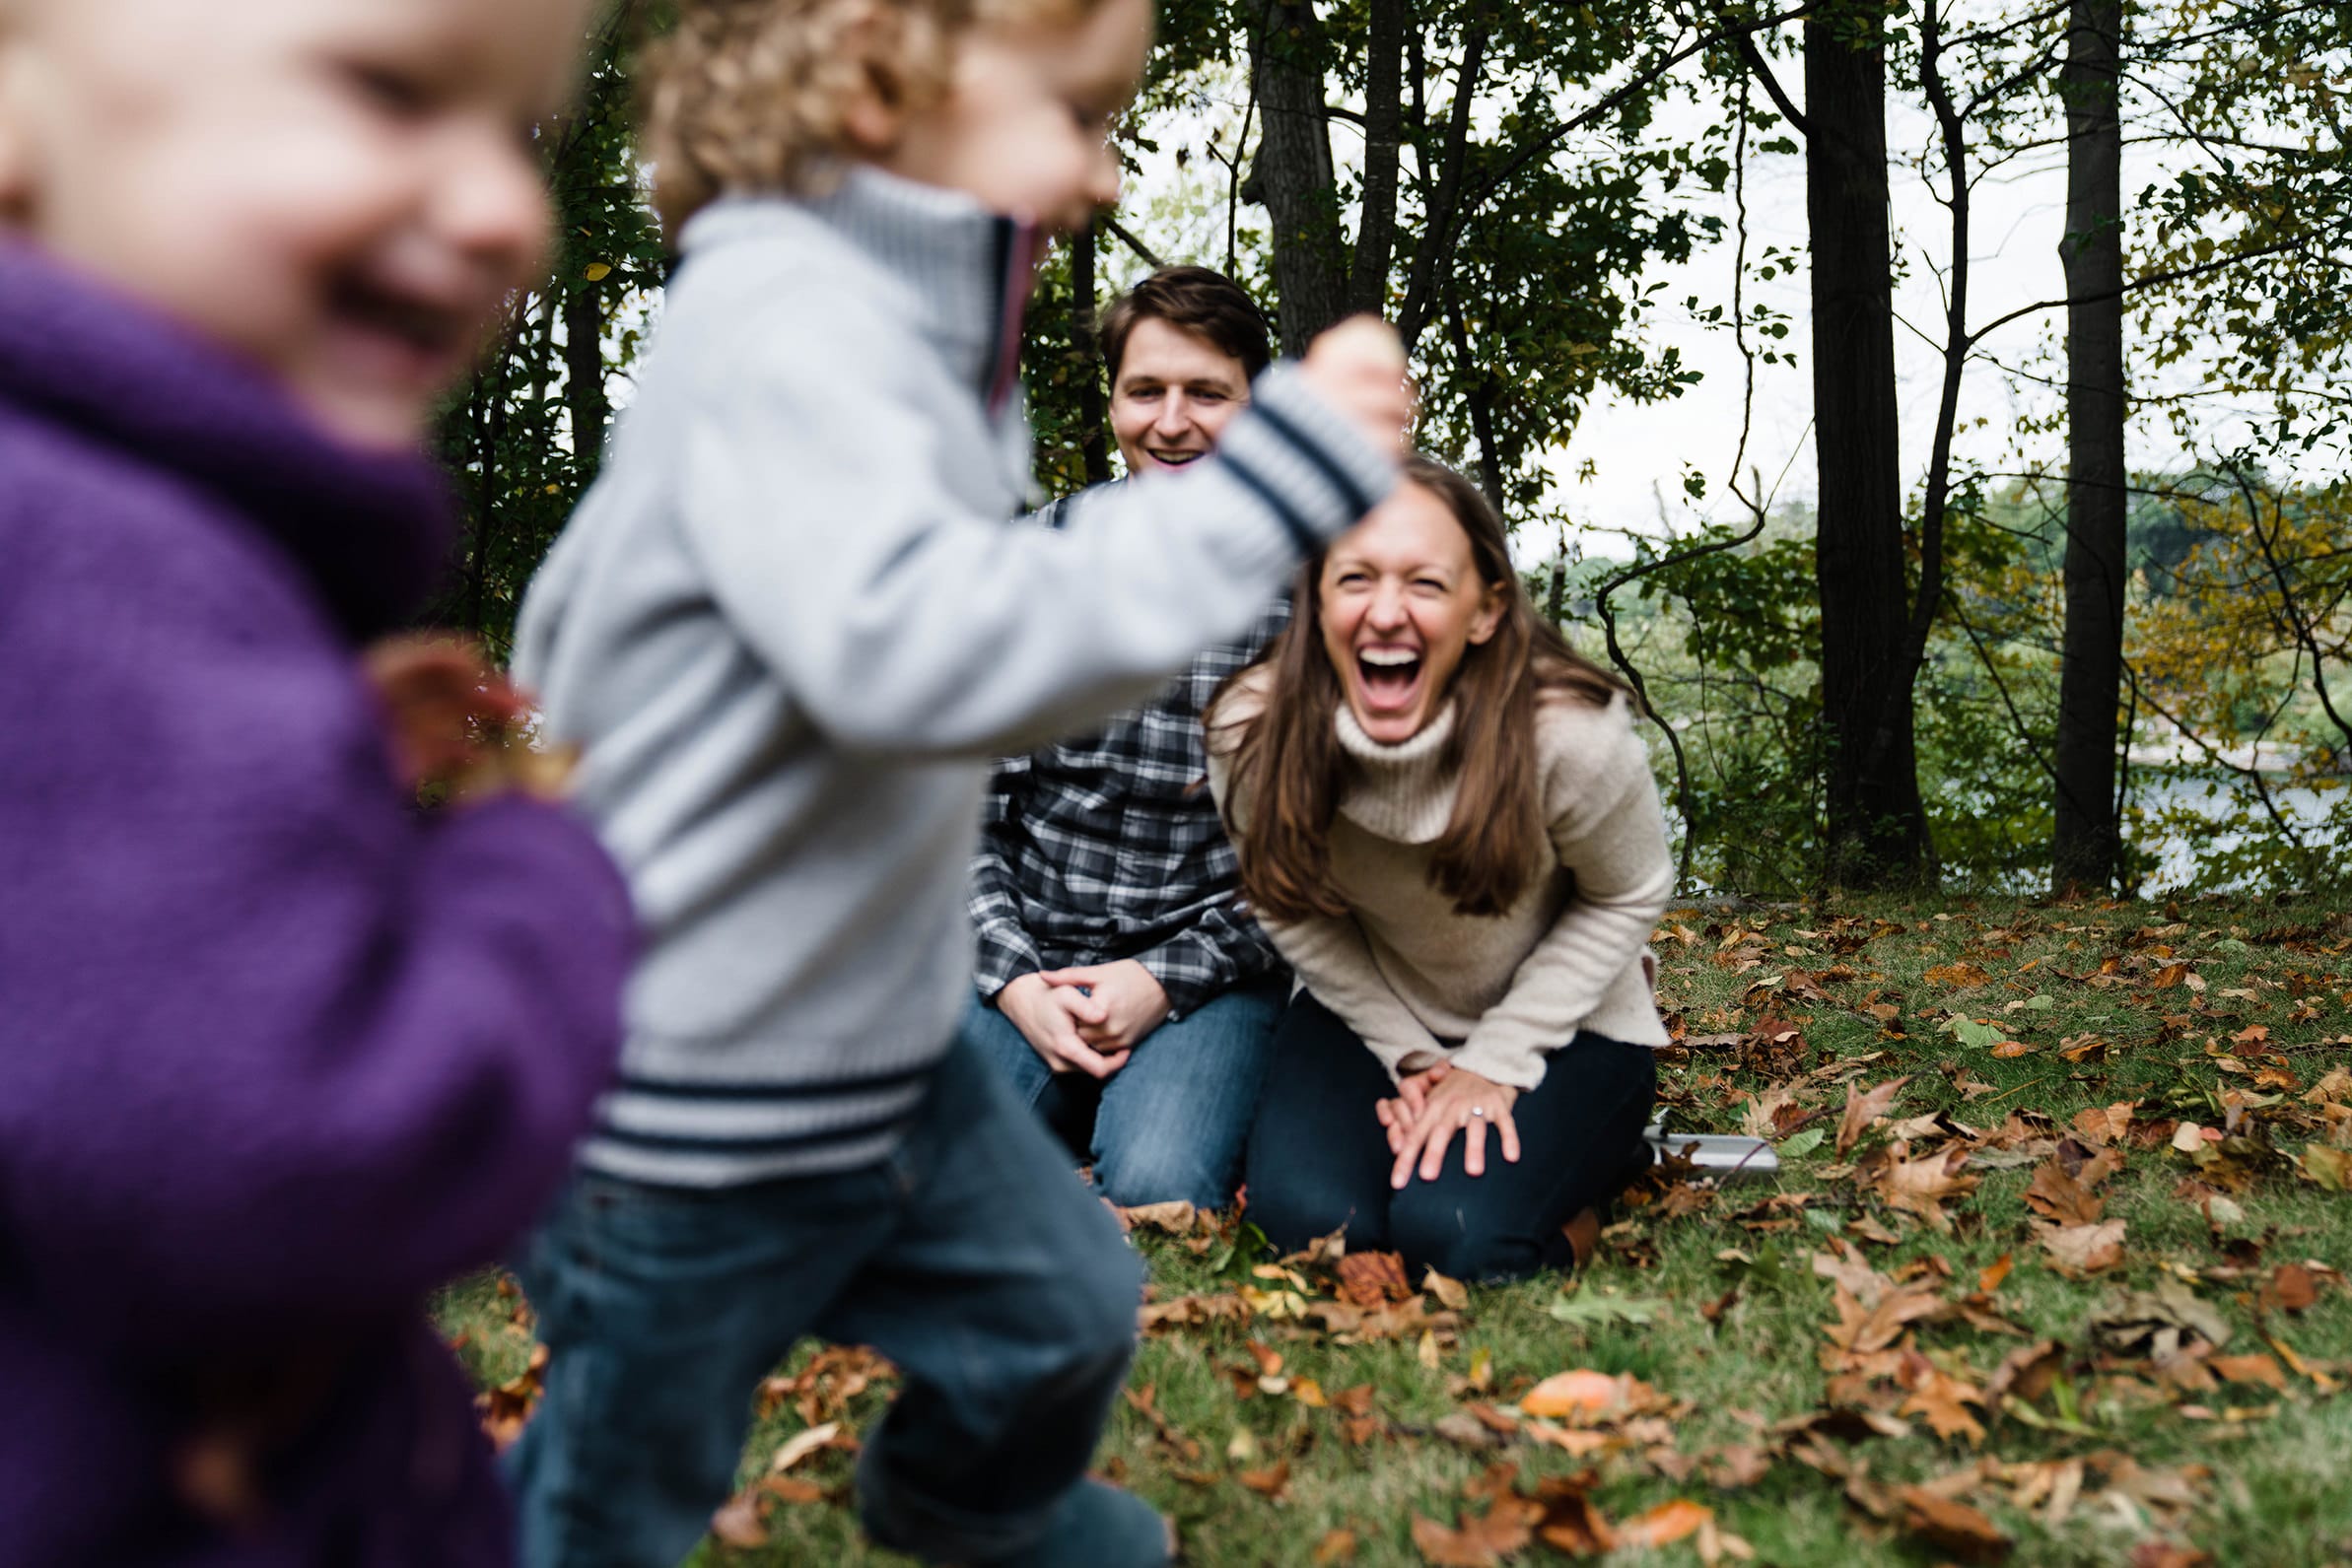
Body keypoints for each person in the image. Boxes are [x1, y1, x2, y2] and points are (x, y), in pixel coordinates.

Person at [503, 1, 1411, 1563]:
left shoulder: (922, 353)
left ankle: (961, 1496)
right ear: (879, 85)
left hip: (868, 1041)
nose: (1099, 170)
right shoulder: (784, 336)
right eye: (1070, 112)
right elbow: (926, 651)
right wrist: (1276, 482)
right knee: (617, 1477)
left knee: (1064, 1298)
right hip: (683, 1085)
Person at [0, 1, 635, 1563]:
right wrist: (530, 875)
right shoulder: (98, 560)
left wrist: (318, 736)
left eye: (514, 130)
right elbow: (294, 1151)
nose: (510, 213)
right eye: (389, 87)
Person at [1206, 456, 1672, 1284]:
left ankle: (1593, 1177)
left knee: (1457, 1237)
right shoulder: (1253, 730)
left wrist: (1494, 1062)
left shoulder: (1567, 729)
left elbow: (1627, 889)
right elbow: (1285, 904)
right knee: (1316, 1229)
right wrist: (1415, 1058)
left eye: (1425, 582)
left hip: (1568, 1023)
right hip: (1377, 1008)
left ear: (1486, 609)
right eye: (1354, 578)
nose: (1386, 613)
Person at [965, 264, 1290, 1208]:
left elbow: (1316, 864)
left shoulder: (1316, 593)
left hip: (1204, 972)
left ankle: (1143, 1103)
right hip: (1024, 956)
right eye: (1145, 390)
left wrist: (1158, 980)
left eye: (1207, 393)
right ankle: (1043, 1094)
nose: (1172, 420)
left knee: (1159, 1187)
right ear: (1113, 399)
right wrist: (1017, 982)